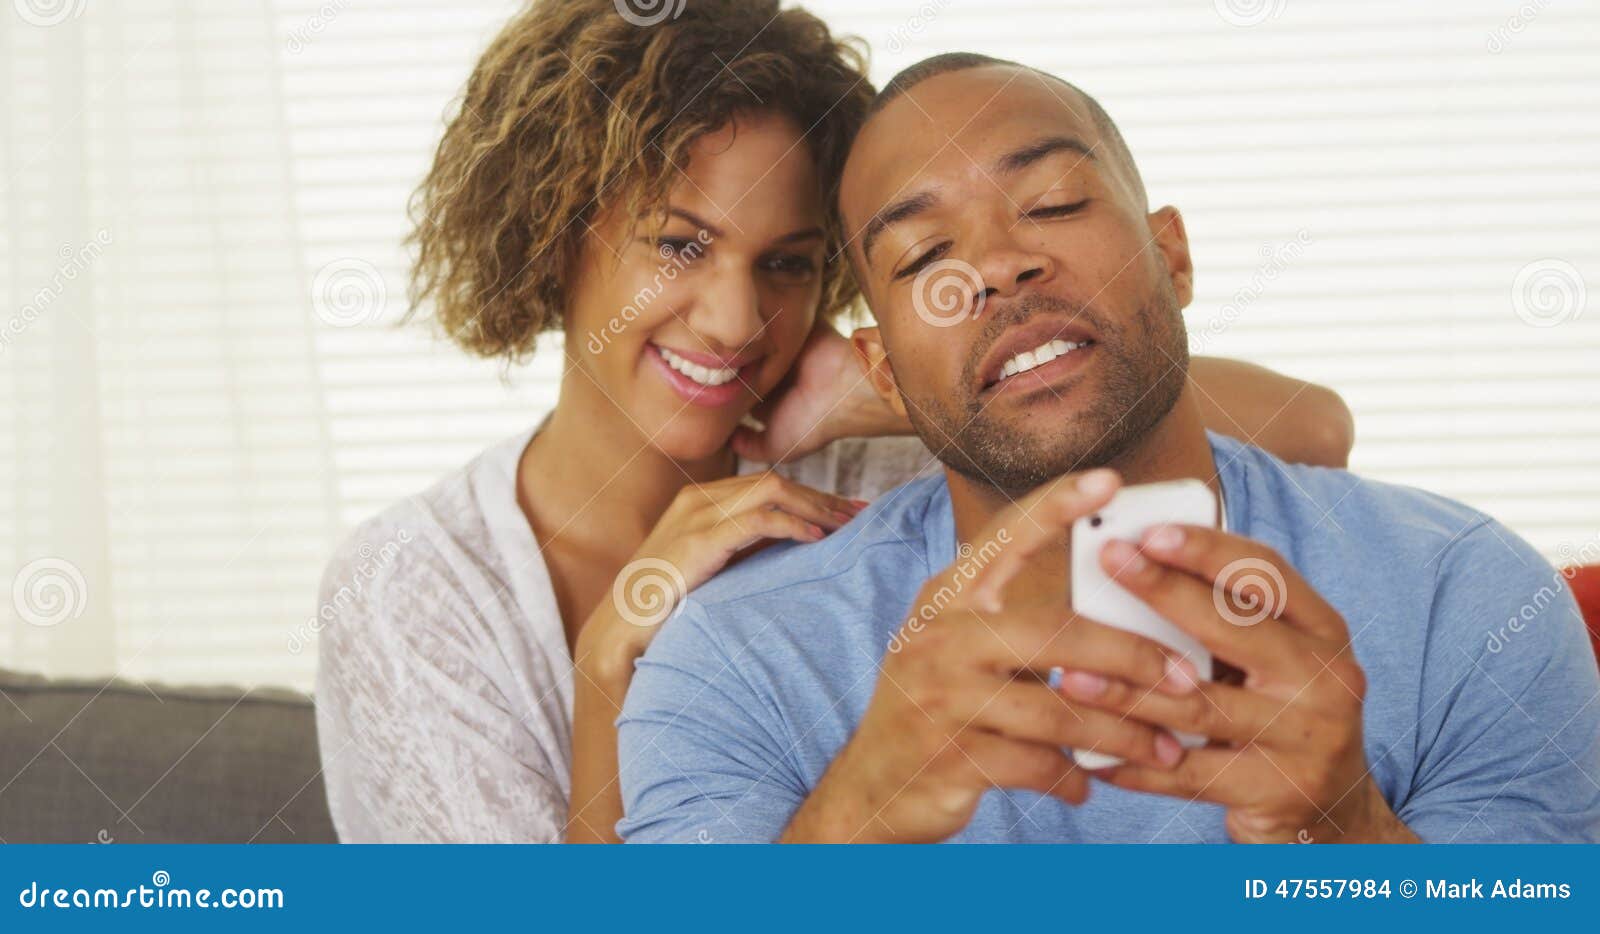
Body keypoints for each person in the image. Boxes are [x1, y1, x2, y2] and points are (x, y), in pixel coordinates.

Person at [314, 3, 1355, 844]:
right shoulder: (418, 589)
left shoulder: (875, 466)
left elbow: (1306, 426)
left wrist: (874, 390)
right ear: (550, 238)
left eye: (788, 263)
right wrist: (603, 675)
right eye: (679, 246)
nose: (734, 320)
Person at [615, 54, 1600, 844]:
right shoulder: (735, 660)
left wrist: (1345, 834)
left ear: (1171, 256)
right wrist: (858, 819)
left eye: (1051, 203)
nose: (997, 265)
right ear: (881, 372)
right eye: (922, 259)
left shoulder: (1467, 598)